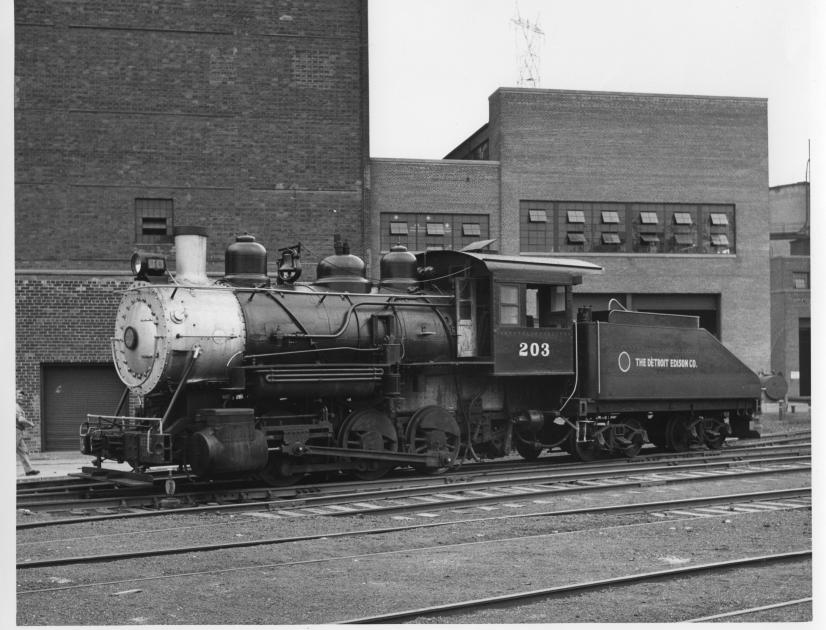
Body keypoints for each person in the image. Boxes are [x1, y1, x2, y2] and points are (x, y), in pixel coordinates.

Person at [16, 389, 39, 476]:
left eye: (22, 396)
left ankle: (29, 470)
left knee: (23, 451)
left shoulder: (18, 407)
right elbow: (21, 420)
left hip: (18, 431)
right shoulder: (15, 406)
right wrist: (30, 424)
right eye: (19, 396)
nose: (21, 398)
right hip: (15, 431)